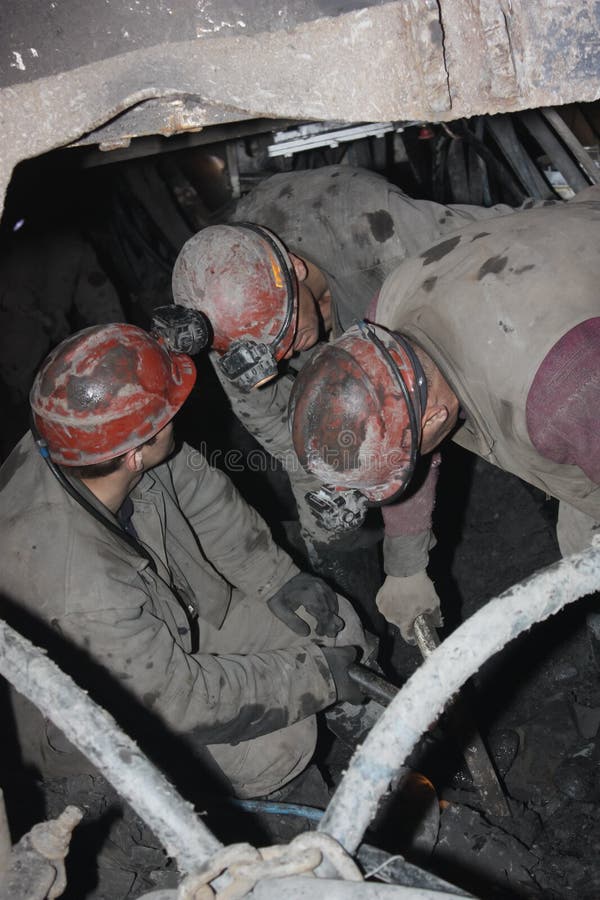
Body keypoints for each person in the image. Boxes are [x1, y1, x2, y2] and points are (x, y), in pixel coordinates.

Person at [0, 323, 368, 804]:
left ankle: (373, 743)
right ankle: (295, 814)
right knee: (280, 746)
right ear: (133, 454)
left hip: (174, 613)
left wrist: (277, 579)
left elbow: (202, 495)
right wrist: (316, 678)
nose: (179, 413)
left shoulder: (84, 440)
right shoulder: (79, 586)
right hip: (115, 707)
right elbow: (180, 700)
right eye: (166, 413)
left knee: (332, 624)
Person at [288, 193, 600, 643]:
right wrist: (406, 566)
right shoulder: (386, 317)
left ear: (435, 418)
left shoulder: (559, 395)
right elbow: (402, 437)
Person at [170, 165, 519, 560]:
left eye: (285, 337)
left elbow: (504, 248)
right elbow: (275, 424)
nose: (284, 357)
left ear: (295, 267)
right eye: (271, 351)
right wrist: (326, 528)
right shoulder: (235, 306)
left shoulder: (377, 237)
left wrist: (406, 551)